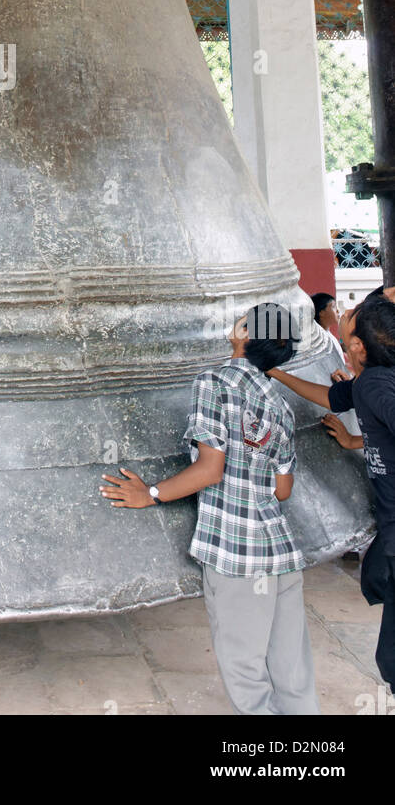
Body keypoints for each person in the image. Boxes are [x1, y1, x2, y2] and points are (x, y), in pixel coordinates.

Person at [101, 302, 319, 715]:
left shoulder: (215, 382)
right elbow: (283, 489)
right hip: (280, 553)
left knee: (245, 672)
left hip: (237, 554)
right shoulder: (281, 405)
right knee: (292, 671)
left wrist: (150, 493)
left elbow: (210, 469)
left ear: (246, 335)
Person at [269, 291, 395, 693]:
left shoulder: (374, 383)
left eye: (350, 318)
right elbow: (331, 397)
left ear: (357, 345)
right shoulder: (370, 380)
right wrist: (275, 372)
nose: (341, 316)